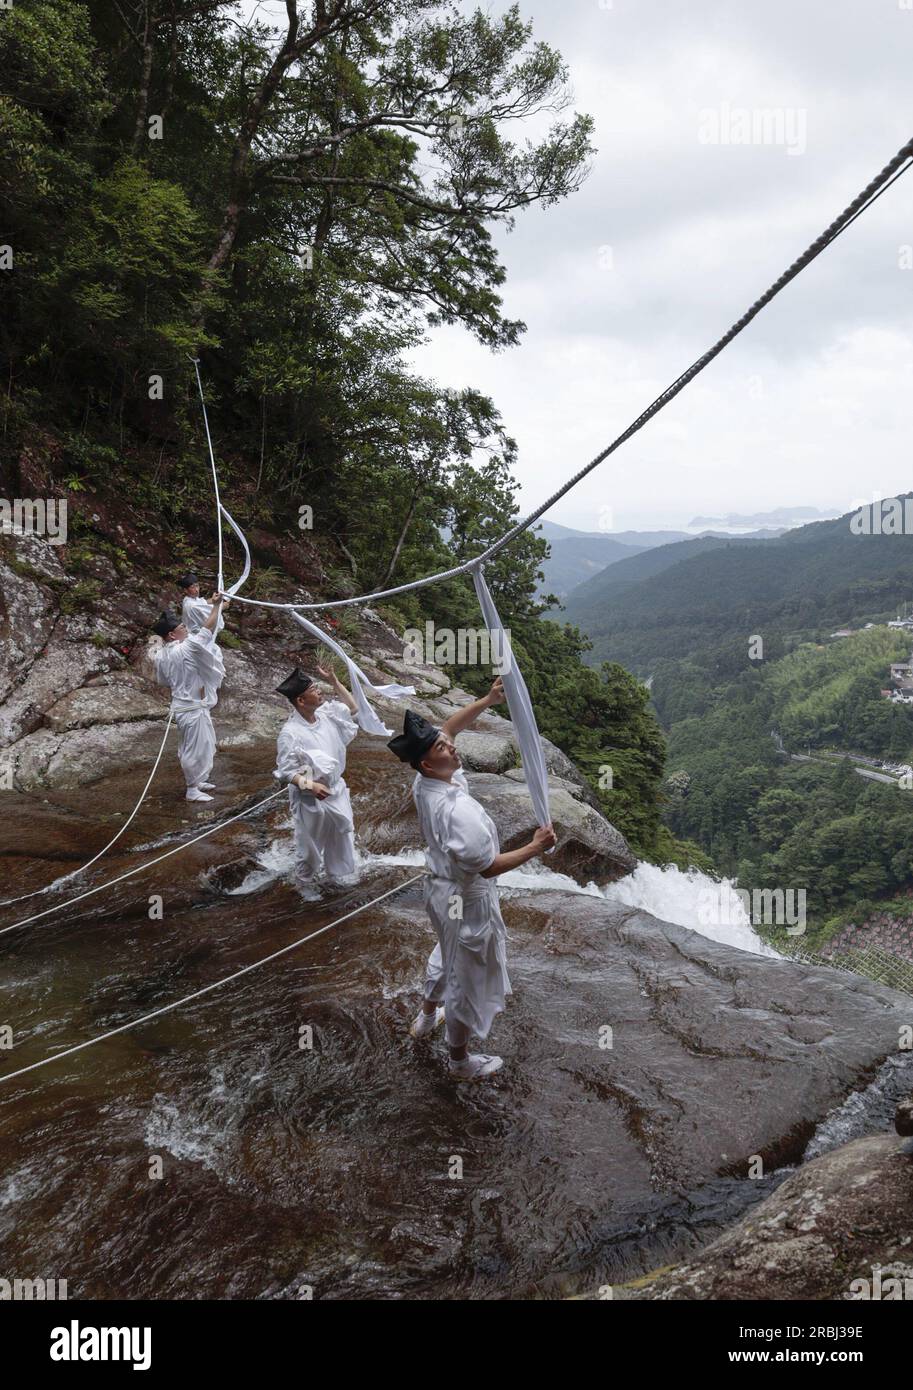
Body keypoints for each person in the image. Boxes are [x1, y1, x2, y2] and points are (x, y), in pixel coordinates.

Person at [388, 680, 556, 1080]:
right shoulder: (455, 810)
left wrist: (488, 700)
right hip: (468, 895)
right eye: (442, 749)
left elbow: (449, 728)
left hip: (441, 892)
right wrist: (535, 847)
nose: (451, 747)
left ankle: (428, 1016)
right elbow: (487, 866)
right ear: (429, 763)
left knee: (446, 953)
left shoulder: (426, 780)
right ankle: (460, 1061)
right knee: (468, 975)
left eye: (446, 744)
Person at [274, 663, 362, 893]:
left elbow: (353, 709)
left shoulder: (327, 715)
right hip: (309, 797)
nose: (319, 691)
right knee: (309, 847)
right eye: (314, 689)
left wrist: (334, 681)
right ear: (301, 701)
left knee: (342, 835)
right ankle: (303, 884)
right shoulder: (290, 733)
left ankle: (338, 876)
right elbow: (285, 772)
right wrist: (310, 785)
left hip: (335, 789)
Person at [151, 594, 226, 802]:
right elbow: (207, 629)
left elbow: (164, 680)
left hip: (189, 705)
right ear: (172, 635)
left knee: (205, 744)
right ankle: (192, 789)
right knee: (194, 748)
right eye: (181, 627)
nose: (185, 628)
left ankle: (199, 779)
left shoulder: (161, 654)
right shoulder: (185, 648)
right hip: (190, 707)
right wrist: (217, 605)